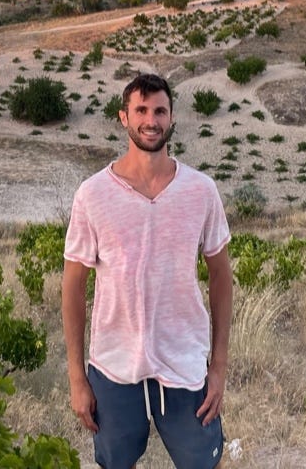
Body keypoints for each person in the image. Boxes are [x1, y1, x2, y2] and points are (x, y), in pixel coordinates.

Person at [62, 72, 232, 469]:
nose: (150, 120)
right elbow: (73, 286)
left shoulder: (201, 191)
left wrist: (219, 366)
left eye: (159, 111)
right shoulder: (92, 195)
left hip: (185, 363)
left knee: (200, 462)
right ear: (123, 117)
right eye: (141, 110)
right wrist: (76, 376)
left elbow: (221, 276)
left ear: (172, 118)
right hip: (113, 365)